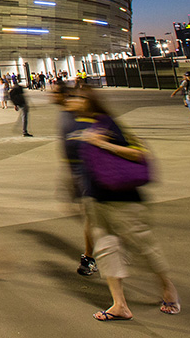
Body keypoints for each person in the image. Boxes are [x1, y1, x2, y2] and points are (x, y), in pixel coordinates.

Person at [66, 86, 179, 321]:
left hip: (123, 198)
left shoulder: (106, 122)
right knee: (106, 250)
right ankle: (120, 305)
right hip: (95, 197)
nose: (72, 100)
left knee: (143, 248)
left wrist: (103, 144)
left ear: (89, 102)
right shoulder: (76, 125)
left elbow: (138, 153)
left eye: (78, 97)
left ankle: (168, 287)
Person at [51, 81, 98, 277]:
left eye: (54, 93)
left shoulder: (89, 117)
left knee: (92, 217)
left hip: (94, 173)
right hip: (78, 172)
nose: (51, 96)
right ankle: (96, 251)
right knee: (90, 217)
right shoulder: (64, 115)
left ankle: (90, 256)